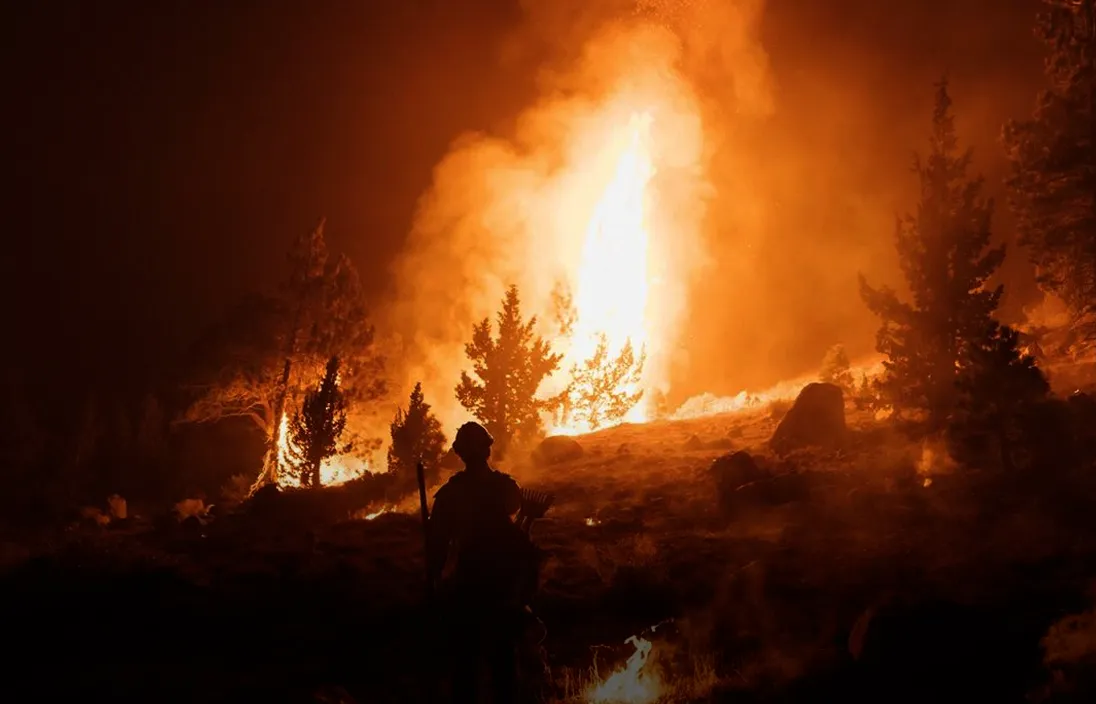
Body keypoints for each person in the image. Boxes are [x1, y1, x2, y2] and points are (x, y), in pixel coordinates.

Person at [427, 422, 530, 703]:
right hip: (501, 586)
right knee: (503, 667)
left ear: (460, 453)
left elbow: (437, 543)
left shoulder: (450, 494)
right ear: (487, 449)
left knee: (466, 668)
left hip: (470, 585)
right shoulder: (506, 487)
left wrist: (435, 581)